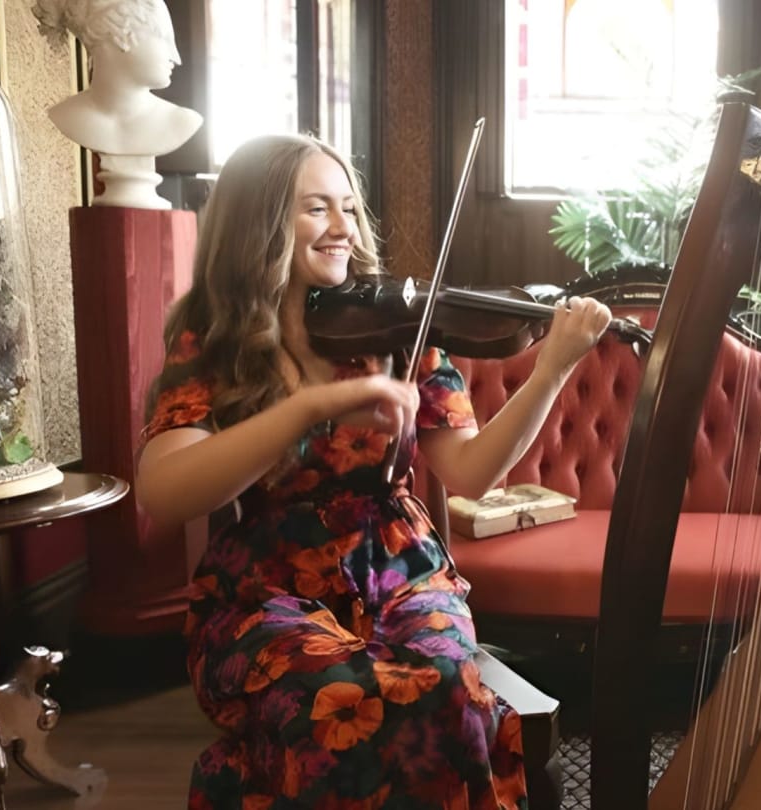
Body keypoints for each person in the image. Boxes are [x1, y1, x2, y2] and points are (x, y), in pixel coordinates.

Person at [135, 133, 612, 808]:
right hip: (265, 589)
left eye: (350, 209)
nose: (342, 228)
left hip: (401, 570)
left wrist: (553, 367)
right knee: (334, 700)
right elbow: (165, 489)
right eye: (316, 209)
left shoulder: (395, 330)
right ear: (259, 223)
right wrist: (308, 410)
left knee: (444, 684)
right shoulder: (217, 341)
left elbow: (471, 471)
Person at [33, 0, 203, 158]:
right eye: (164, 39)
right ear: (122, 35)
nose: (176, 58)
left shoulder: (180, 121)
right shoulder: (64, 116)